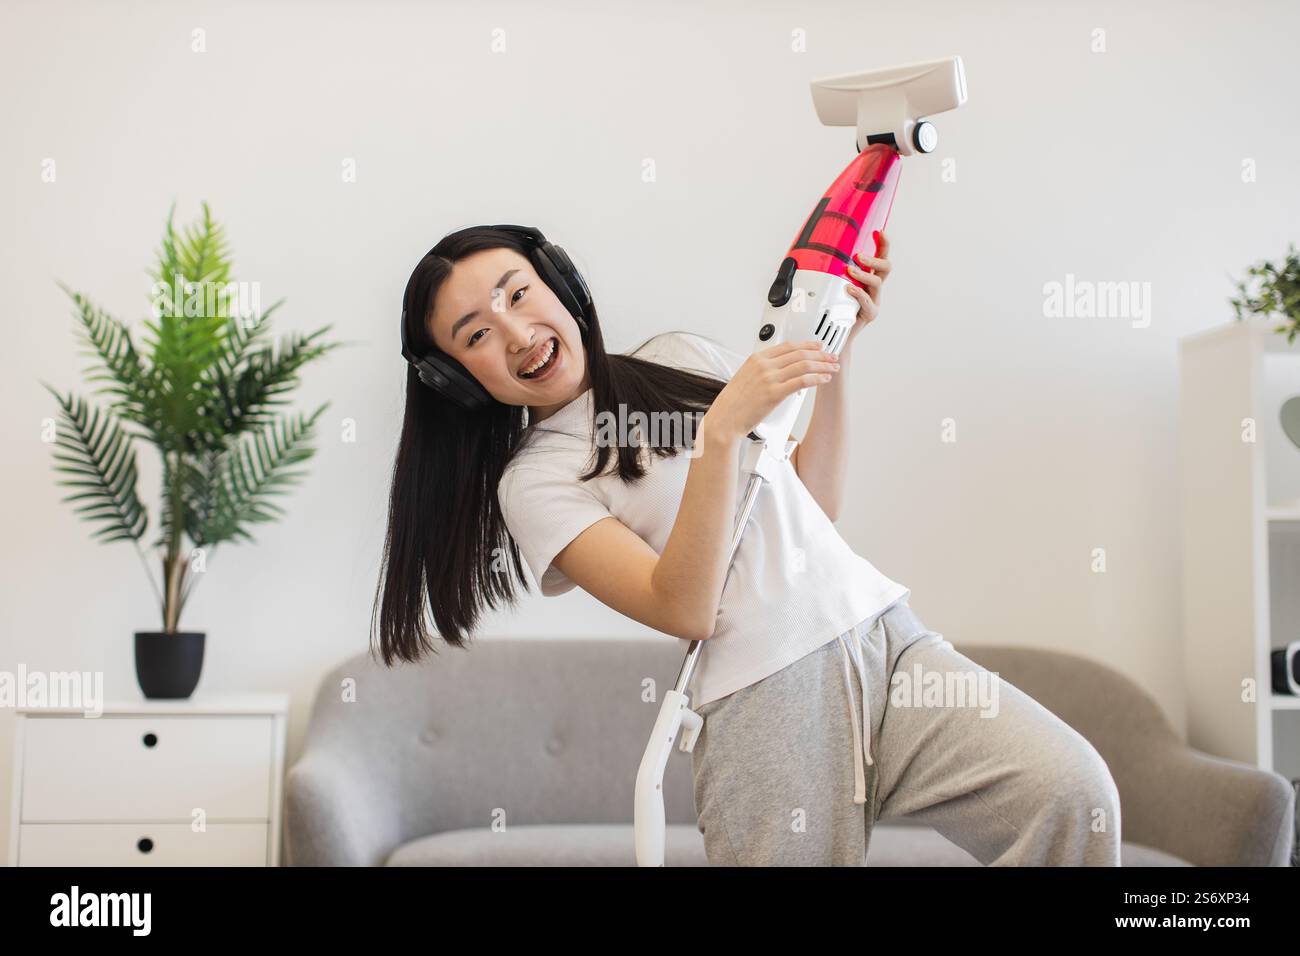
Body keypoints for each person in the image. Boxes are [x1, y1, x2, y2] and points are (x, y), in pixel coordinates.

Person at [374, 223, 1122, 866]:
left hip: (885, 642)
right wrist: (720, 434)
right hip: (765, 700)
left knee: (1069, 797)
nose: (513, 331)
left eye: (517, 292)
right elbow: (683, 606)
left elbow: (810, 503)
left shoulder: (680, 356)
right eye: (475, 334)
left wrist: (840, 350)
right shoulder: (534, 483)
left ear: (559, 283)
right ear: (460, 379)